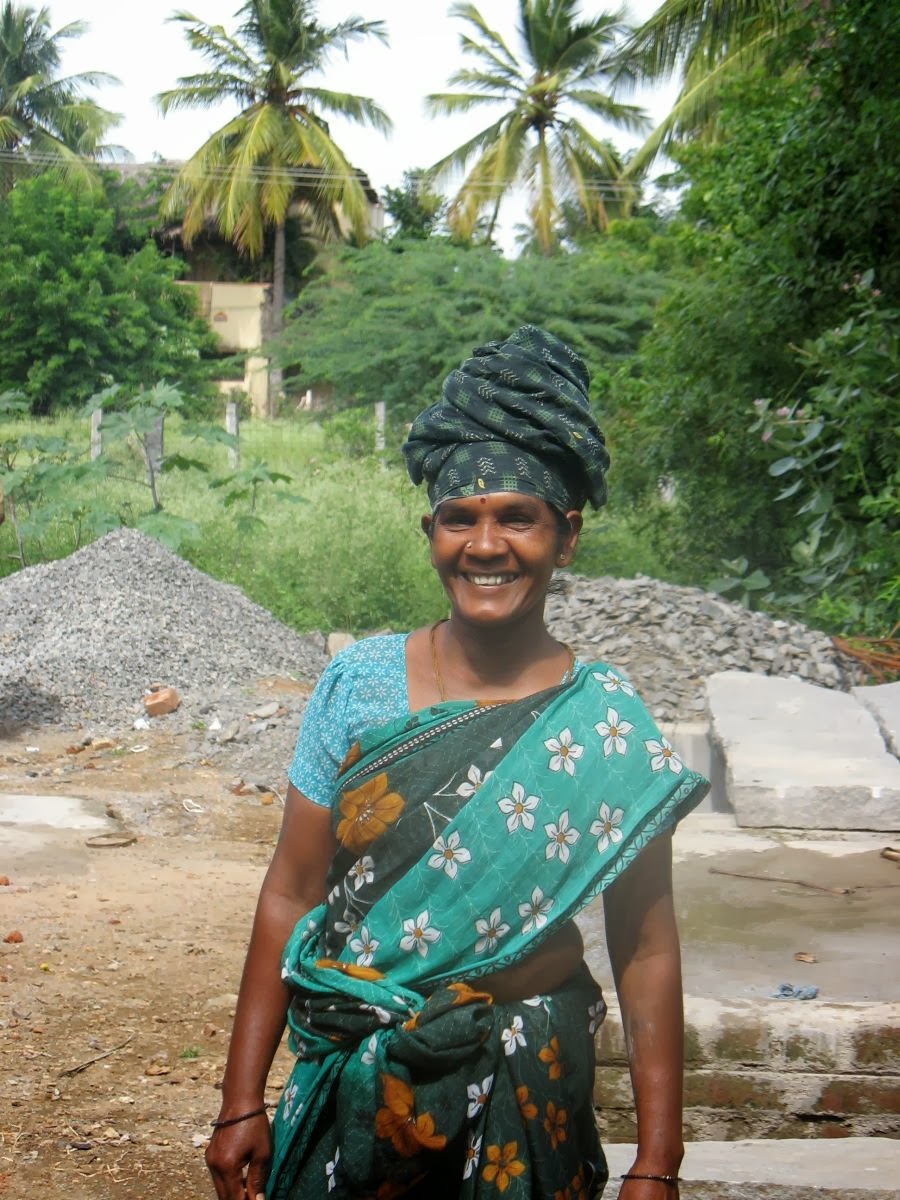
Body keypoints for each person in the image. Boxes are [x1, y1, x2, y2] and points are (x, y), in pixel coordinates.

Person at [206, 325, 709, 1200]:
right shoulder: (358, 685)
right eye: (459, 518)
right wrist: (239, 1100)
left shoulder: (604, 721)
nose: (486, 545)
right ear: (429, 530)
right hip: (360, 1073)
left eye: (519, 516)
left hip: (529, 1074)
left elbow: (646, 942)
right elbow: (290, 891)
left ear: (568, 535)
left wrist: (657, 1162)